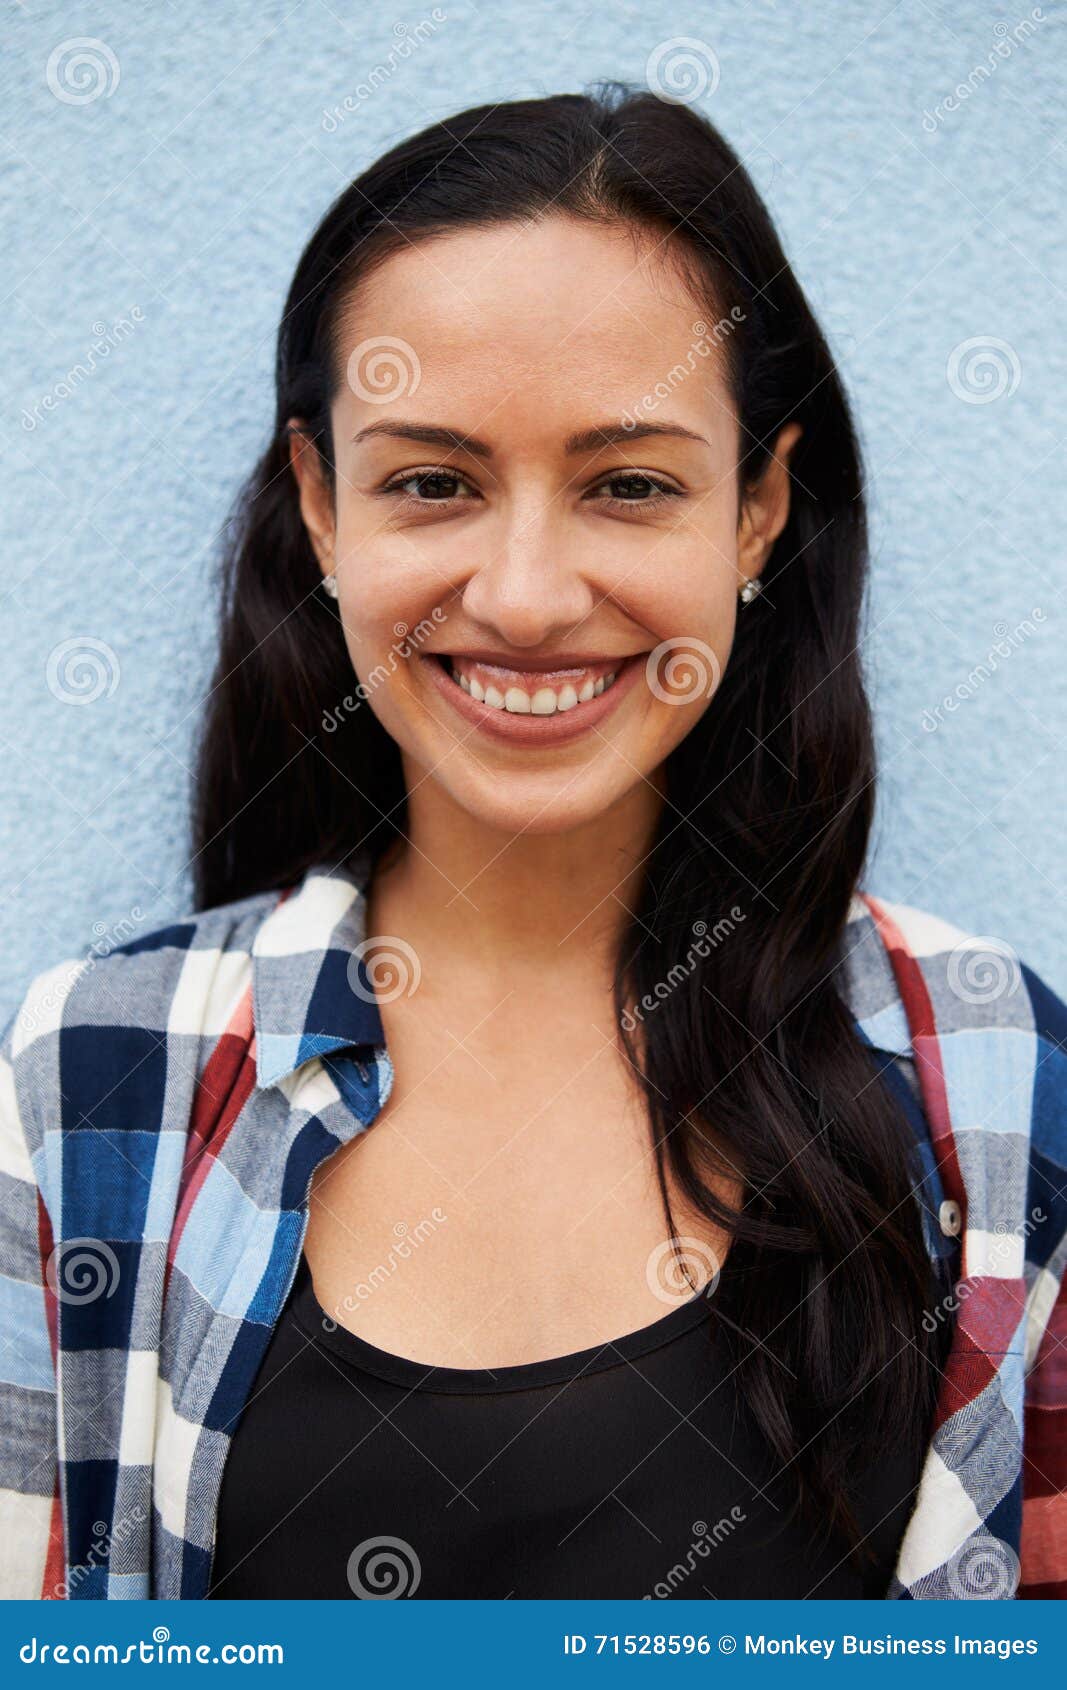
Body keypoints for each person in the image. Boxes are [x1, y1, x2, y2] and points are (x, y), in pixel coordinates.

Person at [1, 83, 1064, 1603]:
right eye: (434, 480)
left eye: (628, 484)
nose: (523, 593)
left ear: (760, 507)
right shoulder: (90, 1077)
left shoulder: (1000, 1077)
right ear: (320, 501)